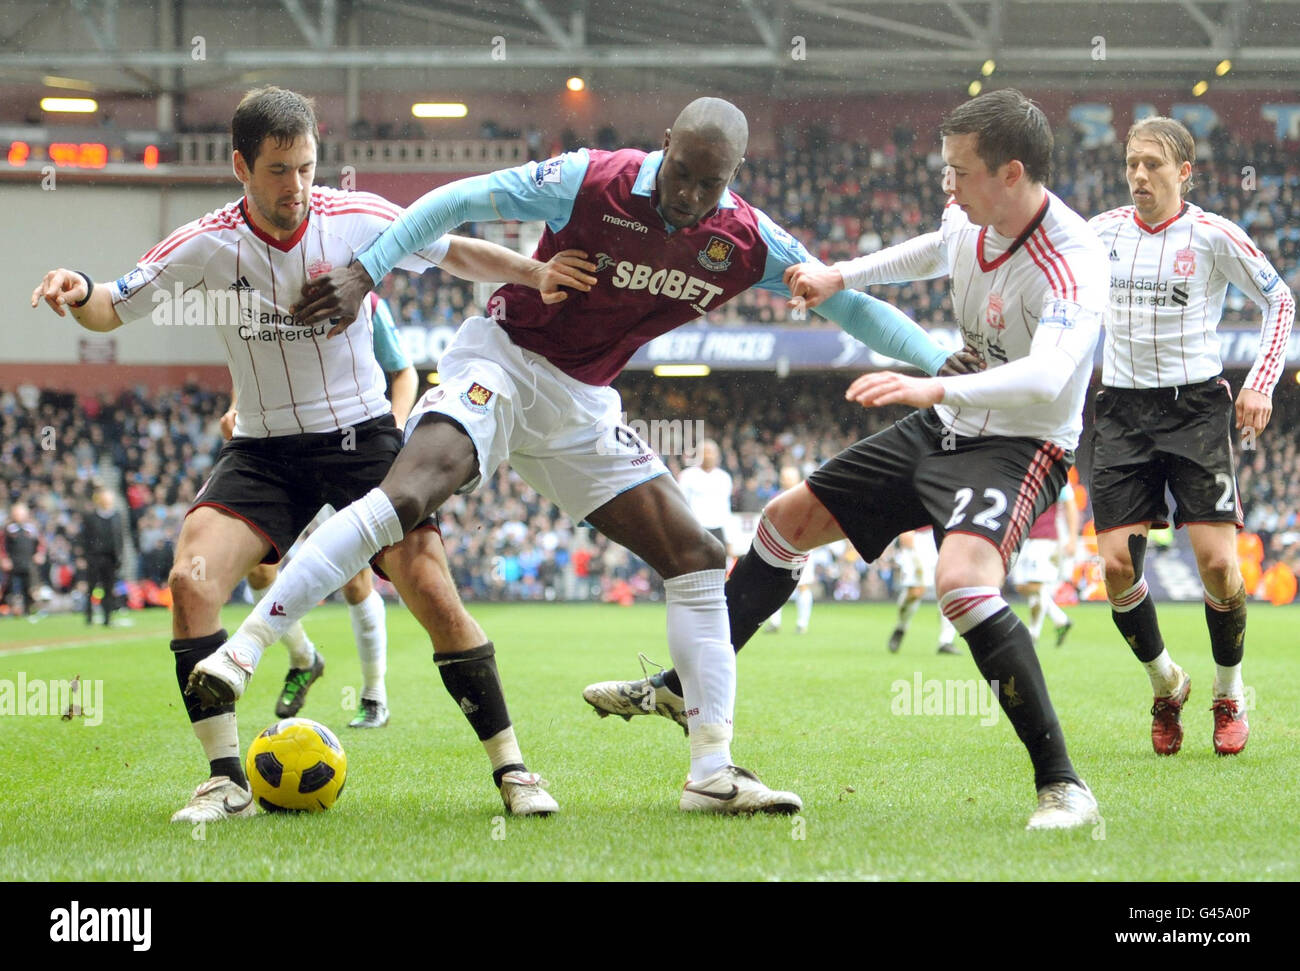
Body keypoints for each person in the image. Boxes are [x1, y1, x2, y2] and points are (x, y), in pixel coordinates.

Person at [205, 96, 973, 815]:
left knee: (699, 553)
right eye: (682, 174)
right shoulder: (588, 179)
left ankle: (711, 772)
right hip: (502, 360)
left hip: (582, 404)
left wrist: (938, 369)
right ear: (663, 147)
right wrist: (365, 269)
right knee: (409, 496)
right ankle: (249, 648)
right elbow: (454, 201)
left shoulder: (748, 242)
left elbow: (851, 305)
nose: (689, 197)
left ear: (733, 180)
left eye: (711, 185)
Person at [31, 86, 591, 822]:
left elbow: (453, 250)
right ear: (240, 166)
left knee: (429, 584)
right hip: (264, 447)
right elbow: (115, 304)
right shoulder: (205, 241)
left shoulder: (354, 218)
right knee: (191, 579)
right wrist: (78, 291)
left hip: (362, 437)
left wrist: (533, 272)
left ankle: (513, 769)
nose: (295, 186)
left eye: (305, 166)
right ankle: (226, 780)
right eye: (277, 170)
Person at [585, 89, 1107, 829]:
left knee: (960, 584)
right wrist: (840, 277)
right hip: (949, 418)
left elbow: (1051, 376)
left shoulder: (1073, 262)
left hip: (1020, 443)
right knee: (783, 521)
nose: (948, 183)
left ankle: (1064, 785)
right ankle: (680, 686)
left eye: (960, 169)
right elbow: (935, 248)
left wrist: (929, 385)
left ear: (1012, 172)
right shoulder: (975, 222)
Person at [1087, 116, 1295, 756]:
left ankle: (1228, 692)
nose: (1139, 175)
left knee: (1219, 565)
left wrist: (1261, 381)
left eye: (1153, 163)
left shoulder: (1211, 235)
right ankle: (1165, 683)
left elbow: (1280, 300)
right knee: (1117, 566)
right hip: (1120, 410)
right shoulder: (1101, 234)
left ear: (1184, 172)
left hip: (1195, 410)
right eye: (1131, 164)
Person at [224, 293, 417, 728]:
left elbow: (402, 370)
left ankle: (374, 695)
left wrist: (397, 427)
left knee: (354, 581)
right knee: (258, 569)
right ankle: (303, 658)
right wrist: (236, 409)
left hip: (349, 452)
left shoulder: (364, 302)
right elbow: (249, 367)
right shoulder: (260, 297)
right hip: (281, 453)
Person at [1008, 483, 1078, 647]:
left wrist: (1072, 539)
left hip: (1044, 540)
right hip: (1024, 538)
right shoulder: (1022, 471)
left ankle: (1033, 634)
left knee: (1035, 585)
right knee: (1022, 586)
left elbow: (1070, 505)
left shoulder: (1057, 473)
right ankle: (1060, 619)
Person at [886, 528, 960, 654]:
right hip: (918, 536)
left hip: (943, 534)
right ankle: (901, 626)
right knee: (916, 591)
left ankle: (946, 640)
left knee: (948, 588)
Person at [79, 487, 125, 626]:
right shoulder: (91, 517)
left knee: (108, 588)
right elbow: (85, 538)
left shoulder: (116, 516)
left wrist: (119, 555)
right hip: (94, 557)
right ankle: (89, 616)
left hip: (111, 558)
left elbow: (120, 537)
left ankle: (107, 618)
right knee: (91, 587)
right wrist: (84, 556)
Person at [676, 439, 732, 550]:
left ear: (718, 455)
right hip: (696, 528)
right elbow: (681, 505)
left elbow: (726, 508)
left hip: (718, 528)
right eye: (705, 452)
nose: (709, 456)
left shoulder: (724, 477)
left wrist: (730, 538)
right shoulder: (687, 476)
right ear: (698, 454)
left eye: (712, 452)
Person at [1, 502, 45, 617]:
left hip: (29, 563)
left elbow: (40, 544)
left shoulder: (31, 528)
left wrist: (39, 554)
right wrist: (4, 559)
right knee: (14, 588)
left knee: (31, 588)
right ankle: (12, 610)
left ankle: (30, 610)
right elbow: (2, 546)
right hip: (14, 564)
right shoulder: (8, 529)